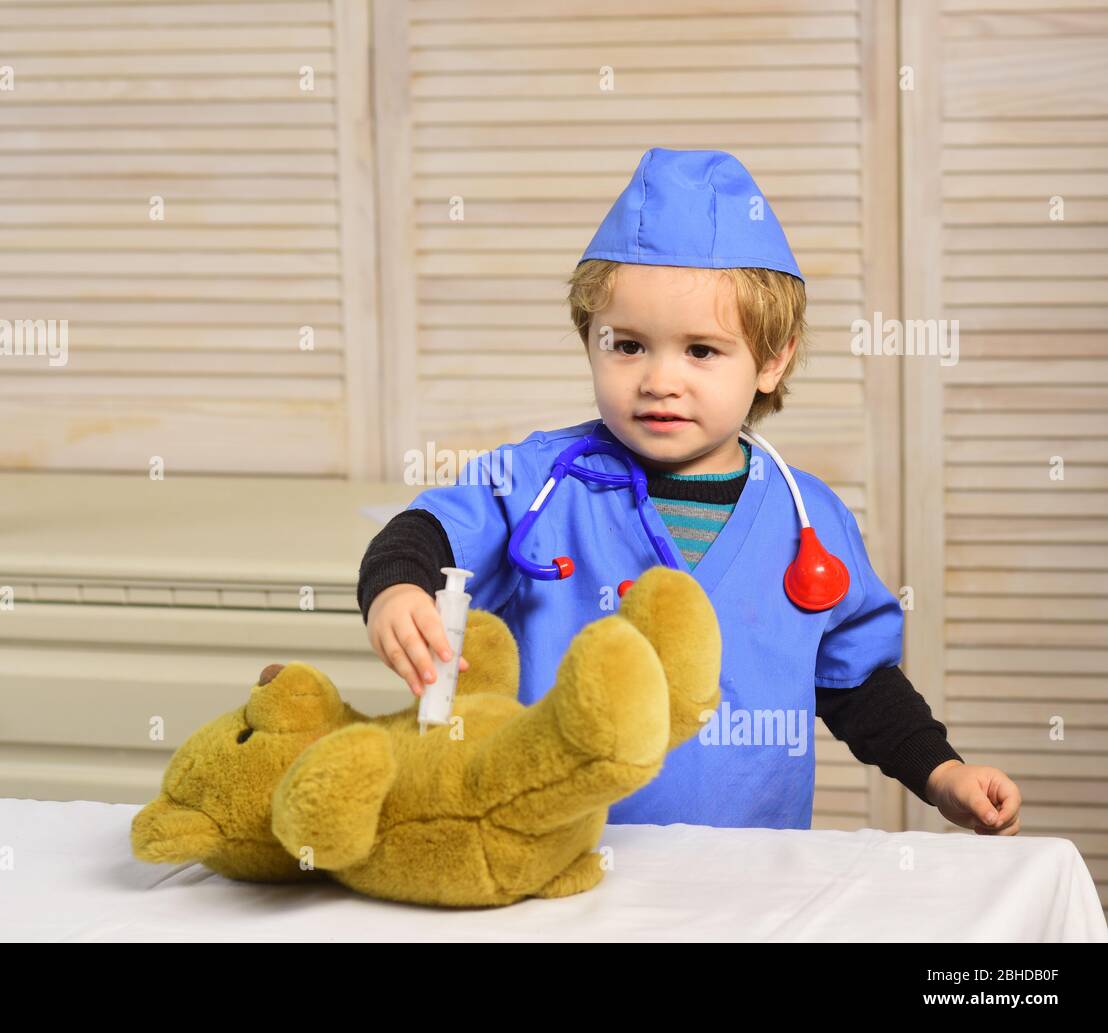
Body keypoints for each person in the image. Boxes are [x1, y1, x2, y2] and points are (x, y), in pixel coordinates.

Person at [358, 148, 1021, 834]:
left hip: (745, 888)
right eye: (628, 345)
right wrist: (398, 589)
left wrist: (944, 774)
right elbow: (421, 534)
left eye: (701, 350)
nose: (660, 380)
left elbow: (859, 684)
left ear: (772, 358)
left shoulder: (809, 519)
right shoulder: (535, 482)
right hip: (559, 868)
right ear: (590, 339)